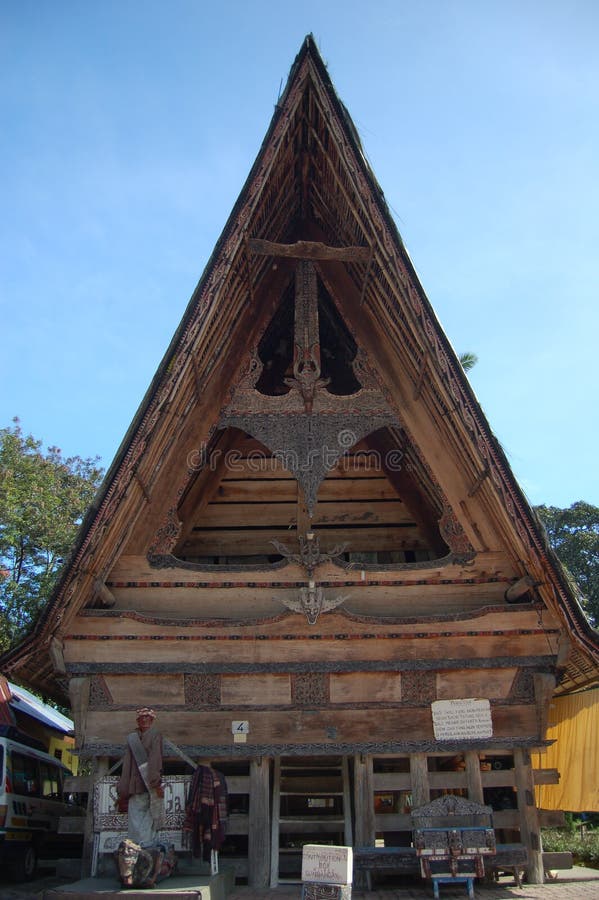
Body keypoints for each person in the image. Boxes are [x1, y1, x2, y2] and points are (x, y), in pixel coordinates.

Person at [117, 707, 164, 848]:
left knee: (138, 820)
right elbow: (154, 760)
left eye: (147, 718)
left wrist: (123, 789)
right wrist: (155, 784)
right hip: (145, 786)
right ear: (138, 721)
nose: (144, 720)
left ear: (151, 720)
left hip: (140, 786)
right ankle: (143, 848)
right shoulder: (140, 737)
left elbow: (154, 760)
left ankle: (138, 848)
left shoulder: (146, 736)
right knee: (146, 820)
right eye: (142, 718)